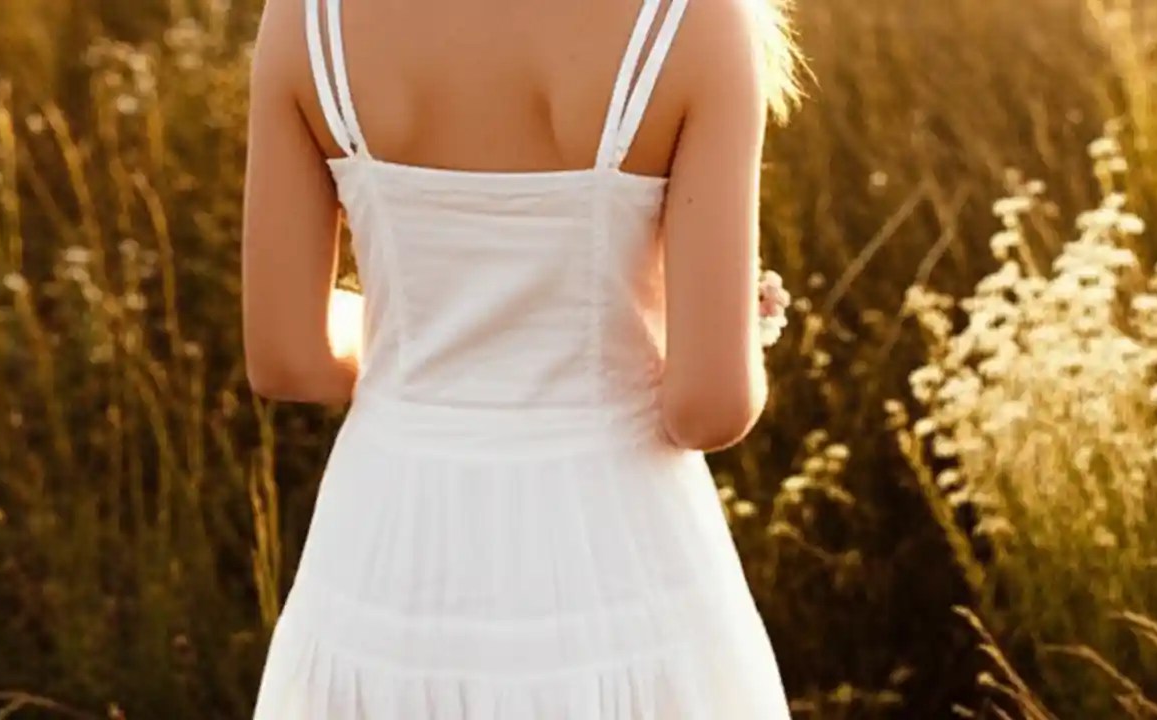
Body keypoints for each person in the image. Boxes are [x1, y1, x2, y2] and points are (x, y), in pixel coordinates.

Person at [241, 0, 803, 715]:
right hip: (619, 562)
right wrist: (697, 322)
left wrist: (422, 344)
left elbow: (287, 360)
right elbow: (707, 409)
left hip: (388, 551)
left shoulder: (306, 17)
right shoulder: (693, 20)